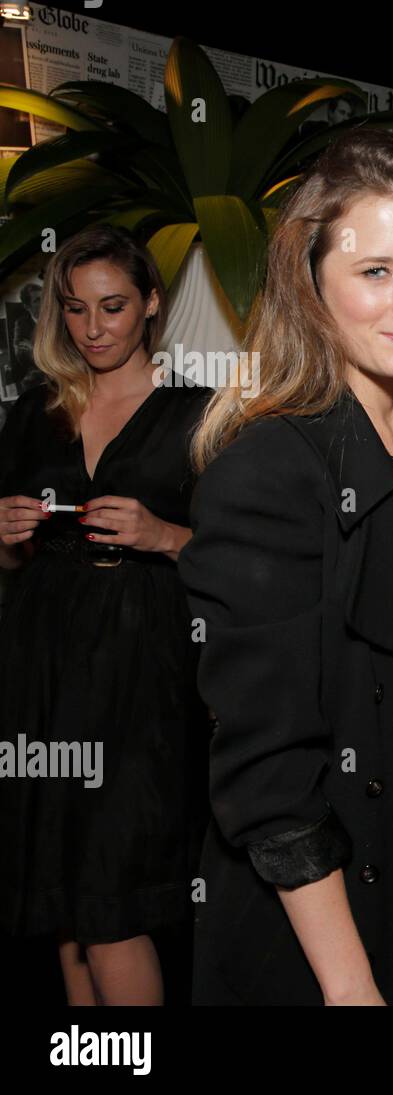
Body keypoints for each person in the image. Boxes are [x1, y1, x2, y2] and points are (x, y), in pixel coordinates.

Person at [176, 128, 393, 1005]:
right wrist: (350, 988)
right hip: (338, 943)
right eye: (375, 271)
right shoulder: (270, 469)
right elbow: (269, 774)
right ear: (311, 280)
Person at [0, 225, 211, 1004]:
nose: (93, 328)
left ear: (151, 304)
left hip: (143, 665)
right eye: (76, 308)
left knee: (111, 899)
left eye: (113, 306)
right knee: (62, 895)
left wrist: (162, 534)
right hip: (43, 659)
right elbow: (12, 564)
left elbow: (243, 559)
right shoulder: (35, 413)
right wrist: (5, 536)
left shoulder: (198, 413)